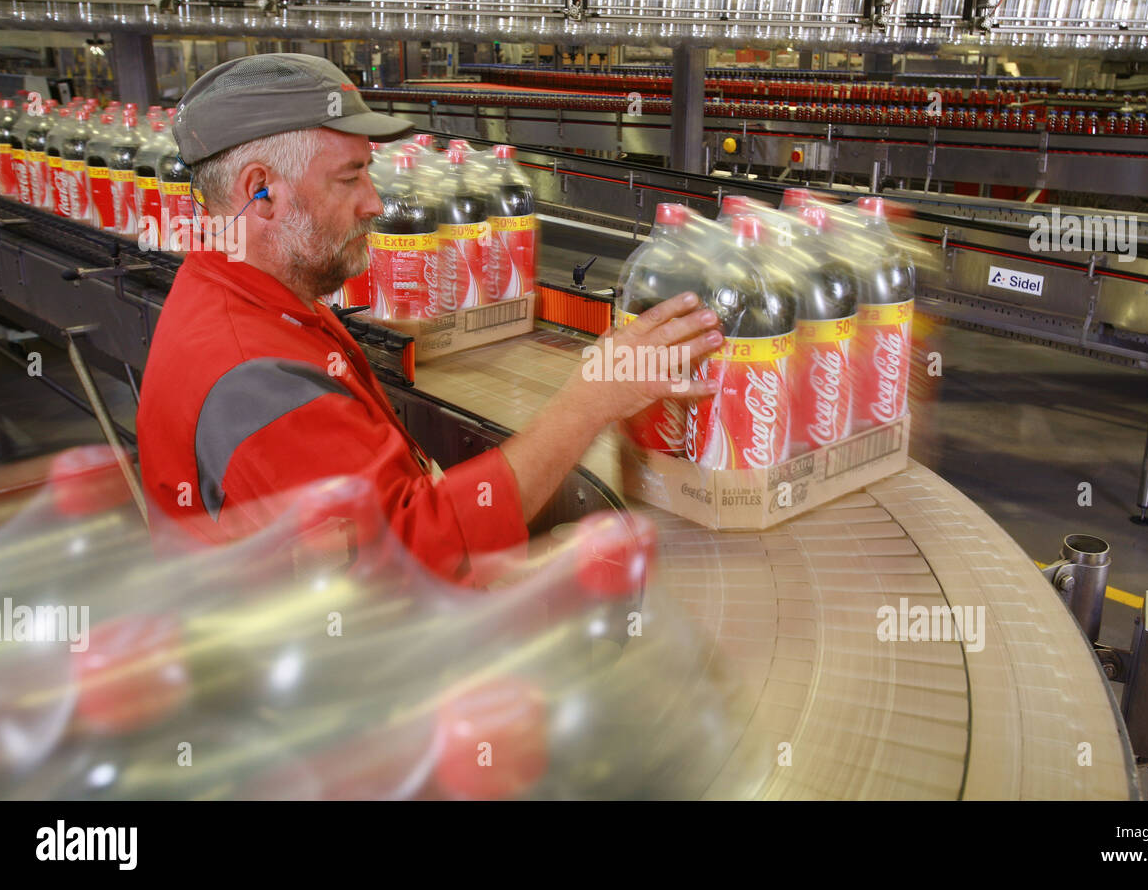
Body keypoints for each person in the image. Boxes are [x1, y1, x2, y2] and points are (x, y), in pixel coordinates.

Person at [135, 54, 721, 581]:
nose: (374, 202)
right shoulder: (253, 379)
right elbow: (411, 556)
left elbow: (390, 518)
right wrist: (593, 398)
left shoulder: (253, 296)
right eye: (350, 176)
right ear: (260, 192)